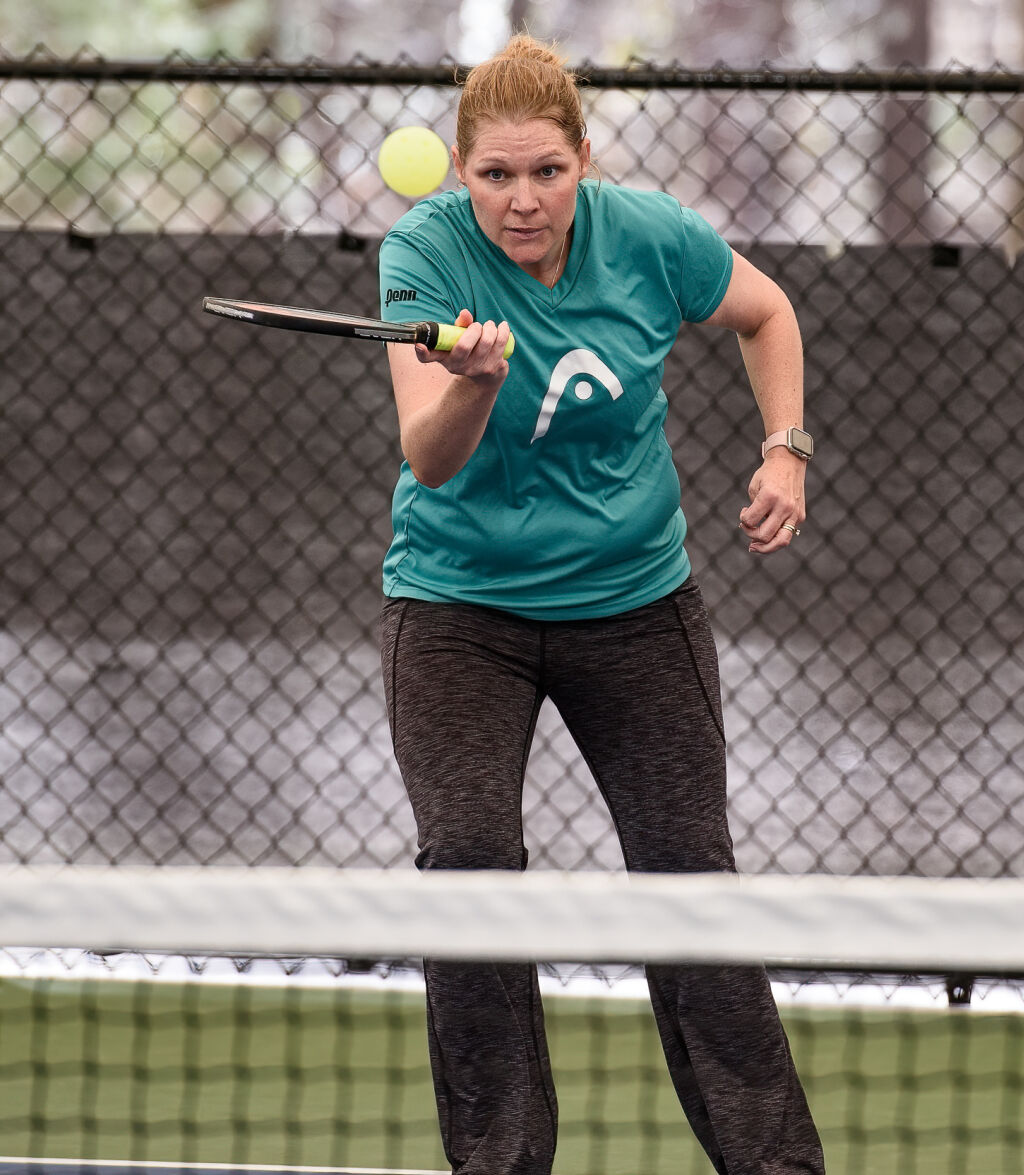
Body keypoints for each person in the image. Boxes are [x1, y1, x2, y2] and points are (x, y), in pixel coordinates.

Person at [373, 35, 823, 1175]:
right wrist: (473, 381)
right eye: (495, 176)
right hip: (458, 607)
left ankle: (775, 1165)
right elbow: (428, 458)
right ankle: (500, 1162)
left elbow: (768, 313)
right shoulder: (420, 255)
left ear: (584, 160)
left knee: (687, 874)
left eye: (545, 172)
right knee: (470, 867)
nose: (522, 201)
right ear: (460, 174)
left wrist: (785, 450)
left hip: (633, 602)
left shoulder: (651, 235)